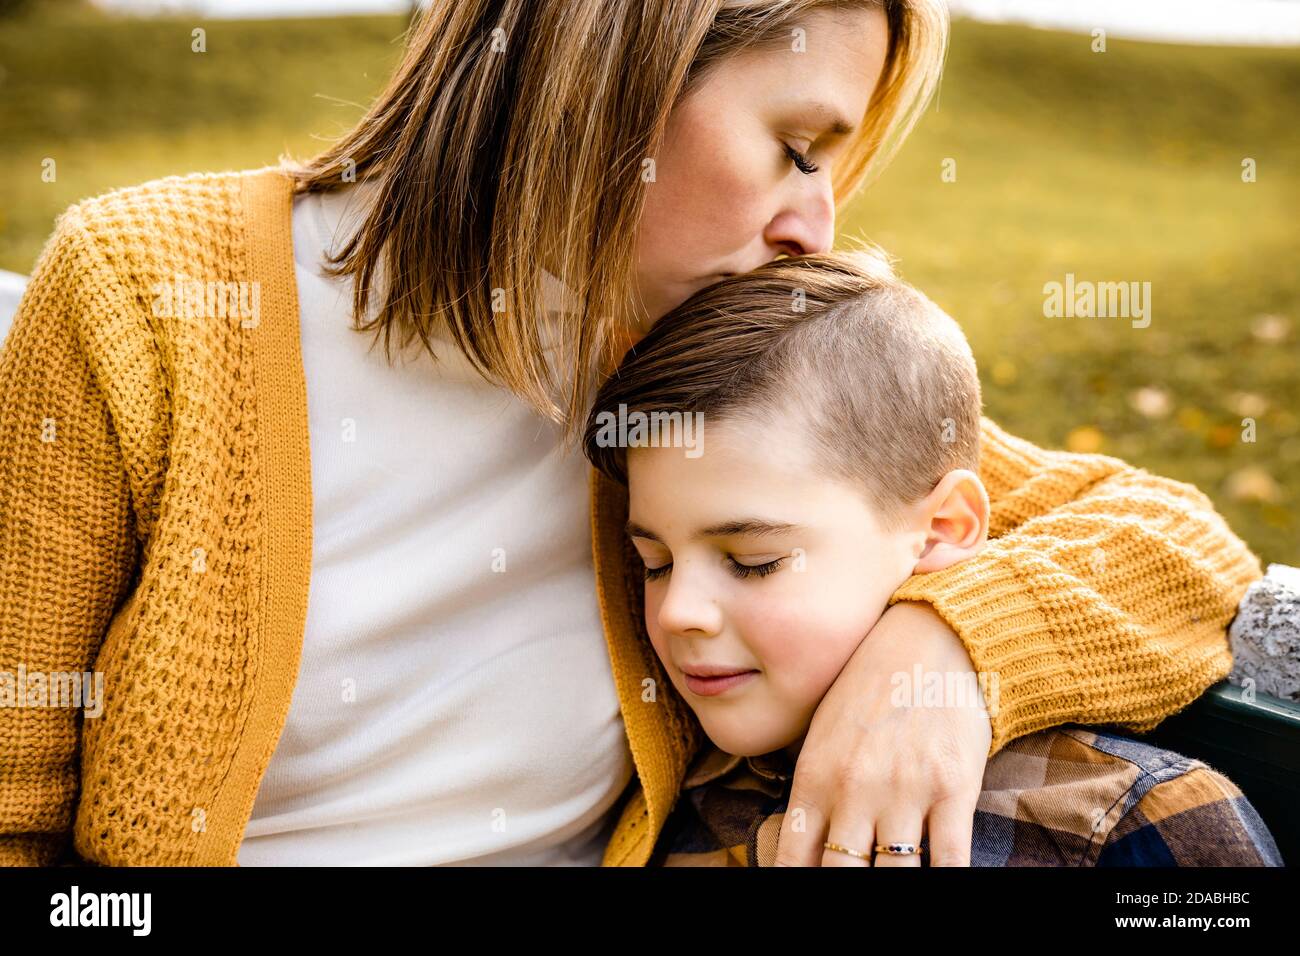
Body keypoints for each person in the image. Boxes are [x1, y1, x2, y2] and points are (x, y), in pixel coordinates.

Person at [0, 0, 1263, 867]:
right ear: (606, 76)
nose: (816, 224)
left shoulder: (688, 367)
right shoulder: (152, 288)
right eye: (795, 147)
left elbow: (1173, 540)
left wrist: (943, 647)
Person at [580, 249, 1283, 866]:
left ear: (945, 527)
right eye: (655, 562)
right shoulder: (686, 798)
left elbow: (1175, 530)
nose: (679, 613)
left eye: (754, 561)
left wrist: (945, 638)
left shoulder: (1130, 822)